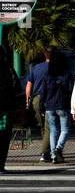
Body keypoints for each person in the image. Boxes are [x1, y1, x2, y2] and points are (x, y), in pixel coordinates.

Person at [43, 49, 74, 165]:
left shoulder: (47, 75)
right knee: (65, 130)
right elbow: (71, 90)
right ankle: (58, 148)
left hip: (50, 106)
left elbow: (43, 92)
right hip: (63, 105)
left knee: (53, 131)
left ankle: (52, 155)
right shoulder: (67, 74)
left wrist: (42, 105)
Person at [0, 43, 26, 174]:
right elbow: (17, 89)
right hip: (6, 107)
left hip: (6, 106)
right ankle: (1, 165)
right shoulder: (9, 69)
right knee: (4, 138)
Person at [25, 49, 53, 162]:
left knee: (42, 126)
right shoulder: (57, 67)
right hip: (50, 99)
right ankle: (45, 152)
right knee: (50, 127)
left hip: (36, 99)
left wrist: (27, 101)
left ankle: (47, 149)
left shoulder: (37, 67)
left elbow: (29, 85)